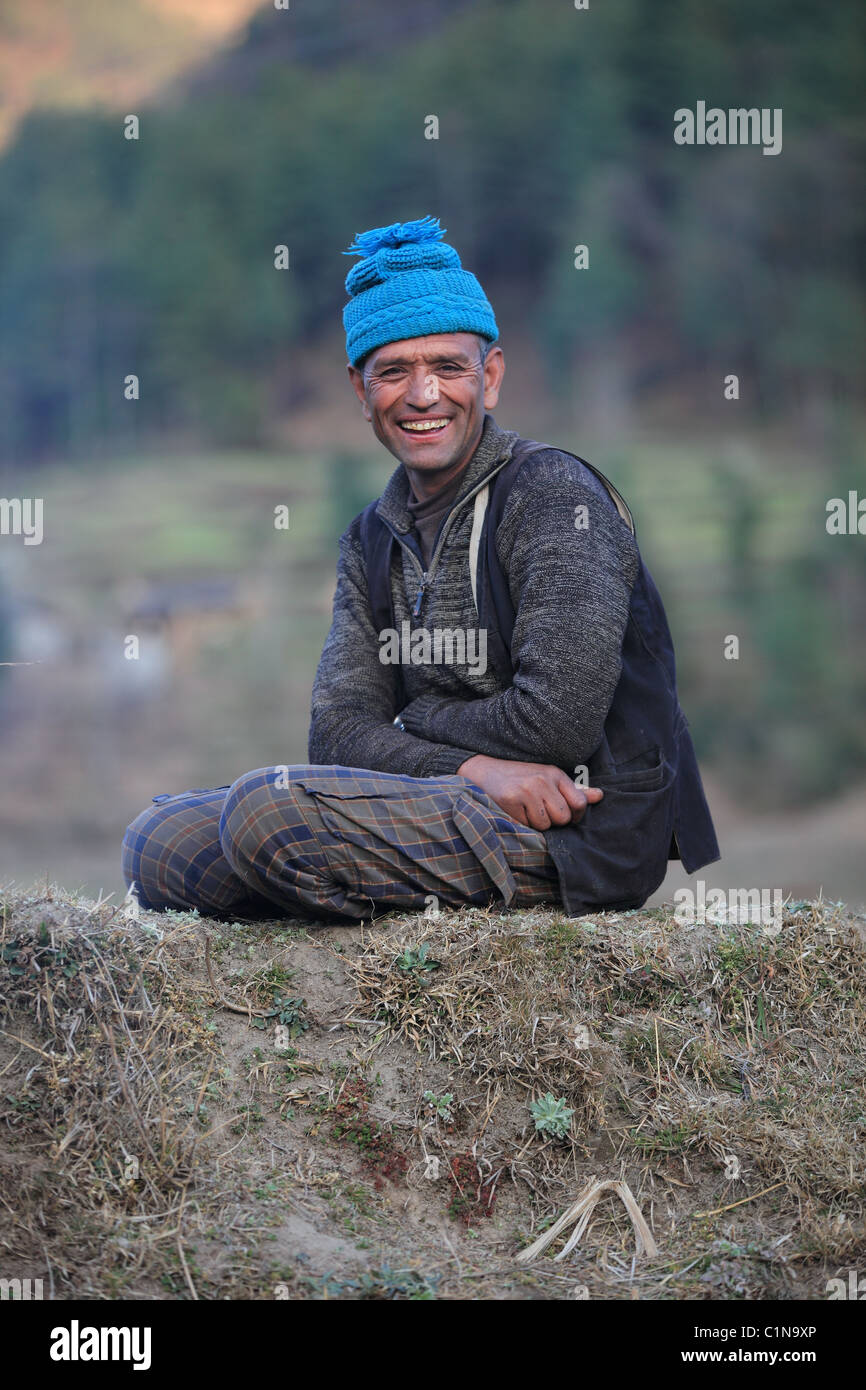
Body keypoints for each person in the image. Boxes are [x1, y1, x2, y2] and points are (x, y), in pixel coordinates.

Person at [122, 215, 719, 922]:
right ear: (359, 390)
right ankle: (343, 877)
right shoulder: (370, 538)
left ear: (489, 377)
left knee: (264, 812)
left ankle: (330, 879)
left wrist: (417, 717)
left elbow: (556, 727)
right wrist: (473, 770)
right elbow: (337, 732)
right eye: (394, 371)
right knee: (159, 843)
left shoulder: (553, 497)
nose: (424, 395)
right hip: (452, 800)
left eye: (447, 367)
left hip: (576, 834)